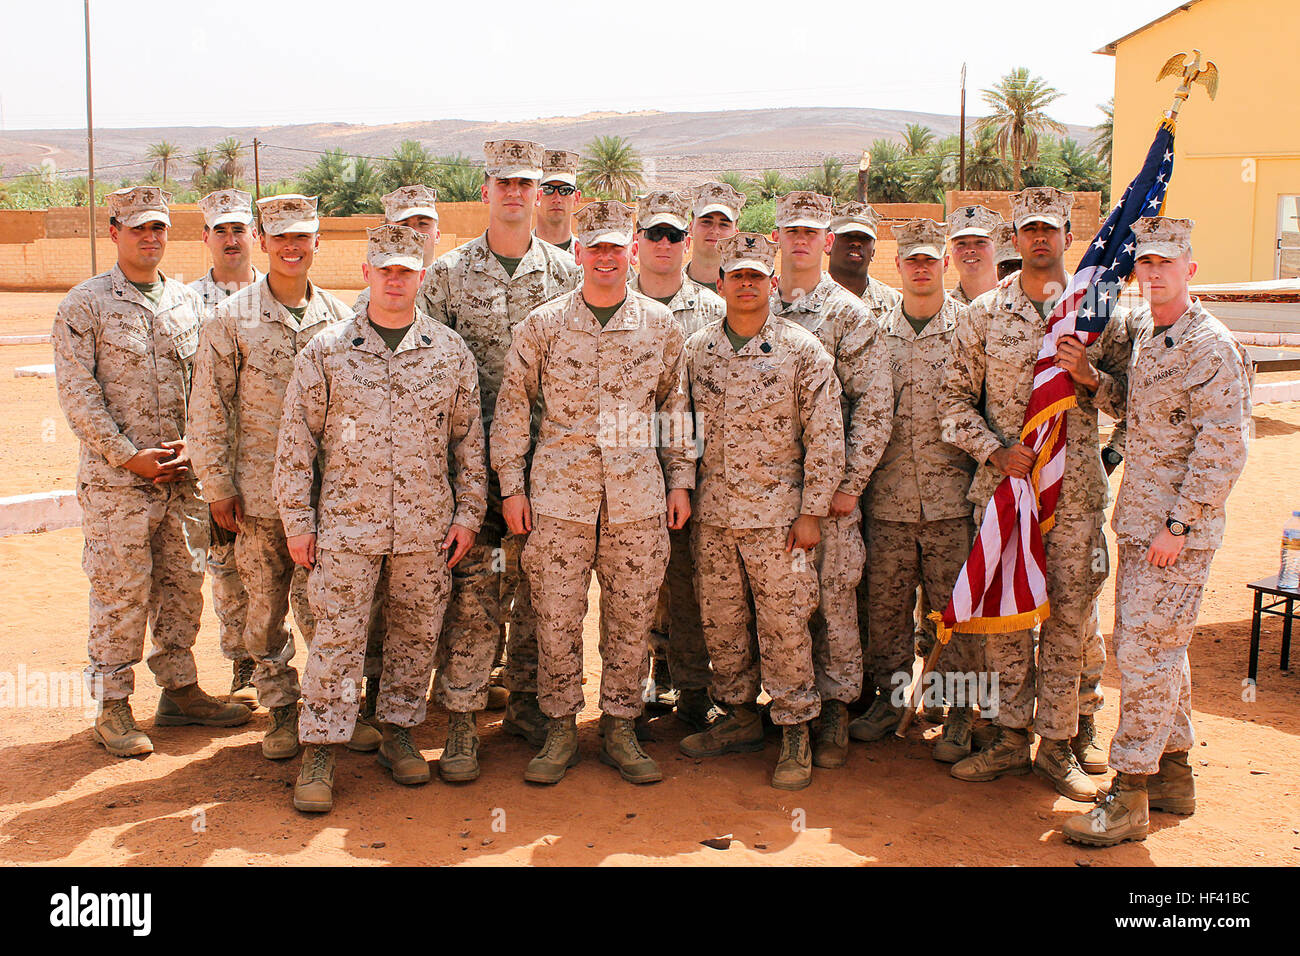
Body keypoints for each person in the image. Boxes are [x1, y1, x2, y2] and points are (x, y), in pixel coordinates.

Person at [276, 224, 487, 813]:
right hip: (347, 527)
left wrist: (470, 514)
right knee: (337, 641)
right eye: (385, 270)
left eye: (407, 270)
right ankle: (321, 749)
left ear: (422, 276)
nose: (396, 280)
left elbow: (470, 444)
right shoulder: (326, 350)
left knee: (414, 635)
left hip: (427, 527)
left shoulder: (449, 352)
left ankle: (398, 731)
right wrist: (298, 521)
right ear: (366, 274)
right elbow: (297, 443)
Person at [941, 186, 1134, 803]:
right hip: (1006, 493)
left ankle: (1057, 745)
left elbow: (1136, 402)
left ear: (1070, 238)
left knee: (1069, 623)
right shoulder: (982, 315)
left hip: (1074, 497)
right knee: (1005, 620)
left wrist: (1090, 378)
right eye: (1030, 229)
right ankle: (1008, 735)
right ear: (1015, 239)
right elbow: (950, 405)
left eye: (1051, 229)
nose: (1041, 239)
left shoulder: (1100, 309)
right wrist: (994, 449)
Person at [1064, 217, 1252, 846]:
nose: (1152, 273)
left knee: (1143, 654)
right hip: (1142, 523)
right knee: (1163, 650)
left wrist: (1180, 522)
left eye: (1166, 263)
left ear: (1190, 270)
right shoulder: (1150, 333)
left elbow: (1223, 448)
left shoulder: (1210, 345)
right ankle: (1173, 774)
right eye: (1145, 263)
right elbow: (1144, 414)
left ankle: (1130, 792)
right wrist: (1095, 384)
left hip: (1175, 534)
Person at [492, 200, 694, 785]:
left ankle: (621, 726)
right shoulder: (543, 324)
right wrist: (511, 487)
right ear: (577, 253)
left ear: (631, 252)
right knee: (556, 616)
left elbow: (673, 410)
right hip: (559, 501)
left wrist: (680, 480)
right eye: (594, 247)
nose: (605, 258)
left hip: (638, 500)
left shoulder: (660, 326)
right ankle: (558, 727)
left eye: (615, 247)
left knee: (630, 617)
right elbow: (512, 410)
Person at [52, 186, 251, 757]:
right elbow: (79, 394)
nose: (149, 237)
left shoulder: (190, 304)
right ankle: (113, 706)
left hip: (183, 481)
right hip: (119, 485)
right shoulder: (84, 304)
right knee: (120, 591)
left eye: (159, 227)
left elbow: (209, 389)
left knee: (182, 586)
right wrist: (125, 455)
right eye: (137, 227)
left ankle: (180, 692)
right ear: (113, 231)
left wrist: (196, 445)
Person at [416, 139, 580, 773]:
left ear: (541, 194)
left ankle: (534, 706)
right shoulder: (449, 276)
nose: (515, 193)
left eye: (526, 183)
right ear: (485, 190)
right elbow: (426, 370)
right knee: (476, 592)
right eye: (502, 181)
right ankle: (462, 716)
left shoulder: (569, 277)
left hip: (549, 468)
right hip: (471, 468)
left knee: (545, 592)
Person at [189, 194, 371, 761]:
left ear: (319, 242)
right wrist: (217, 484)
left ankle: (333, 708)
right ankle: (283, 712)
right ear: (263, 243)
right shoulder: (231, 317)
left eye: (303, 237)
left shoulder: (342, 320)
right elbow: (209, 407)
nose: (292, 247)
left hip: (327, 495)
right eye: (281, 237)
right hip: (258, 494)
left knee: (329, 608)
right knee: (265, 607)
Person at [677, 233, 846, 791]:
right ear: (719, 284)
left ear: (772, 282)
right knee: (722, 621)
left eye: (756, 274)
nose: (746, 284)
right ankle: (740, 716)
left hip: (780, 521)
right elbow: (680, 428)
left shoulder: (803, 351)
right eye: (736, 275)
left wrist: (813, 511)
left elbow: (825, 437)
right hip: (716, 516)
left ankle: (796, 728)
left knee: (785, 624)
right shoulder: (698, 349)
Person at [771, 191, 893, 769]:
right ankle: (783, 711)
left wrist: (848, 485)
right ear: (776, 238)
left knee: (834, 599)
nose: (800, 240)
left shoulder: (849, 314)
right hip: (765, 494)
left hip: (832, 494)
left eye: (810, 231)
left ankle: (838, 710)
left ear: (826, 242)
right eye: (790, 230)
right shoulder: (755, 303)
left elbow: (874, 405)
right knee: (778, 605)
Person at [851, 219, 981, 760]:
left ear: (944, 265)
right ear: (898, 266)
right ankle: (891, 697)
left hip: (953, 500)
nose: (922, 268)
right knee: (885, 609)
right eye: (912, 260)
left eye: (931, 259)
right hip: (888, 500)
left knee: (956, 612)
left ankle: (957, 714)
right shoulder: (873, 330)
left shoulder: (971, 328)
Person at [629, 187, 725, 730]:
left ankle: (692, 688)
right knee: (631, 589)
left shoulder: (713, 309)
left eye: (673, 235)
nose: (663, 244)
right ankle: (636, 688)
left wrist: (684, 479)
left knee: (688, 589)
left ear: (687, 245)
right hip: (627, 477)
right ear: (637, 242)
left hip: (695, 477)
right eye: (653, 234)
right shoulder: (606, 303)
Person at [191, 188, 263, 707]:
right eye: (222, 230)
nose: (231, 238)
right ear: (207, 238)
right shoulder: (186, 302)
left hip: (271, 465)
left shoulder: (283, 292)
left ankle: (283, 672)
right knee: (228, 571)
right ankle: (244, 667)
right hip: (217, 466)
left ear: (254, 236)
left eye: (240, 229)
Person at [353, 184, 441, 314]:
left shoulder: (455, 287)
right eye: (404, 225)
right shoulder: (369, 301)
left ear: (438, 235)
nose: (414, 233)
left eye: (423, 224)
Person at [826, 201, 902, 319]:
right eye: (847, 235)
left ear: (873, 252)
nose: (856, 243)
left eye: (865, 238)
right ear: (828, 244)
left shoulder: (894, 305)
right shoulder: (805, 299)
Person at [685, 182, 745, 292]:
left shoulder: (747, 292)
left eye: (724, 224)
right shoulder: (666, 288)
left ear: (735, 234)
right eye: (706, 222)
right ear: (691, 228)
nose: (715, 231)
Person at [945, 204, 1001, 305]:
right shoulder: (944, 312)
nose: (970, 250)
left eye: (980, 242)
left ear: (998, 247)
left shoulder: (1016, 303)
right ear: (951, 250)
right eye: (961, 243)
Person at [534, 149, 581, 252]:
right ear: (536, 196)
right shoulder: (516, 254)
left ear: (576, 197)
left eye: (565, 190)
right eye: (547, 189)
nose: (557, 199)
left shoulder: (587, 258)